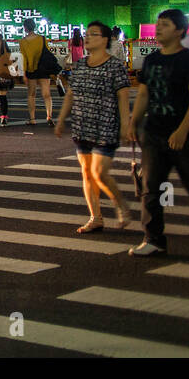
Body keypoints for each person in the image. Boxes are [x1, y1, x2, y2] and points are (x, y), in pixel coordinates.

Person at [127, 9, 189, 256]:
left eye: (164, 25)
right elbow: (144, 93)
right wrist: (134, 121)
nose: (158, 29)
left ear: (179, 30)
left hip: (187, 137)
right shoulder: (152, 59)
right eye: (158, 24)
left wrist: (182, 131)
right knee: (151, 188)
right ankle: (154, 239)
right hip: (154, 134)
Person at [54, 21, 133, 234]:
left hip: (106, 126)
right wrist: (61, 119)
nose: (87, 37)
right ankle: (95, 217)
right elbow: (70, 94)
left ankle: (120, 205)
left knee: (100, 173)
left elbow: (123, 97)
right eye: (87, 34)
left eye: (94, 34)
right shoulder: (79, 66)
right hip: (82, 126)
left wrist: (126, 125)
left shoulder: (115, 66)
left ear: (105, 39)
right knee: (87, 173)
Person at [19, 18, 55, 126]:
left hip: (31, 70)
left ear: (25, 28)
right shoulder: (42, 39)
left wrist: (24, 74)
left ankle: (32, 119)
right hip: (44, 69)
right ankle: (49, 116)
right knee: (47, 94)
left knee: (31, 95)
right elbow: (48, 53)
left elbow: (24, 58)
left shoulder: (23, 41)